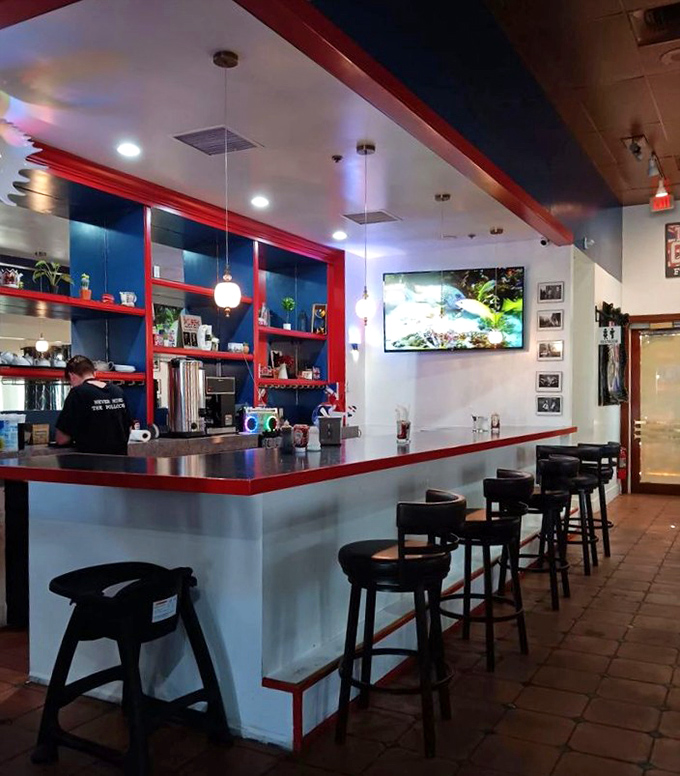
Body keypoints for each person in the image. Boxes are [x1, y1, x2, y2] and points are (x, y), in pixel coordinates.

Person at [55, 355, 132, 455]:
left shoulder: (78, 393)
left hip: (92, 463)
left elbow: (62, 439)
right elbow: (129, 428)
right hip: (120, 463)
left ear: (71, 376)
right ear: (94, 373)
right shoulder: (117, 391)